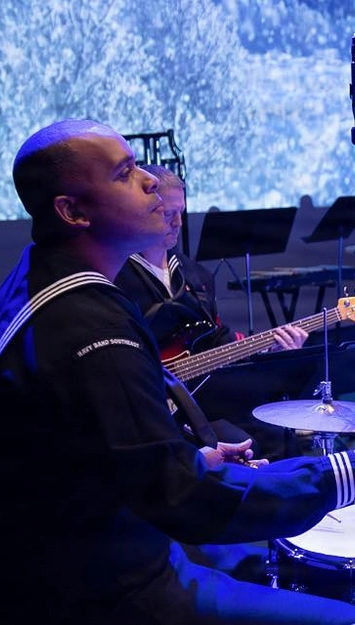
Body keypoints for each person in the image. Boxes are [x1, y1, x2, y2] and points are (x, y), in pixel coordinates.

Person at [0, 119, 355, 625]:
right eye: (124, 173)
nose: (151, 183)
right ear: (73, 212)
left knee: (265, 561)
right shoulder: (86, 325)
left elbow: (70, 451)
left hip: (56, 565)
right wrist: (351, 474)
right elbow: (187, 501)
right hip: (98, 602)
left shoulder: (35, 284)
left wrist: (187, 456)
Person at [114, 165, 307, 462]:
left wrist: (271, 348)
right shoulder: (116, 275)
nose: (178, 223)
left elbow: (213, 340)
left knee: (277, 430)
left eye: (182, 212)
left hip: (202, 392)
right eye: (168, 214)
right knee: (243, 441)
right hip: (146, 406)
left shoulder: (195, 275)